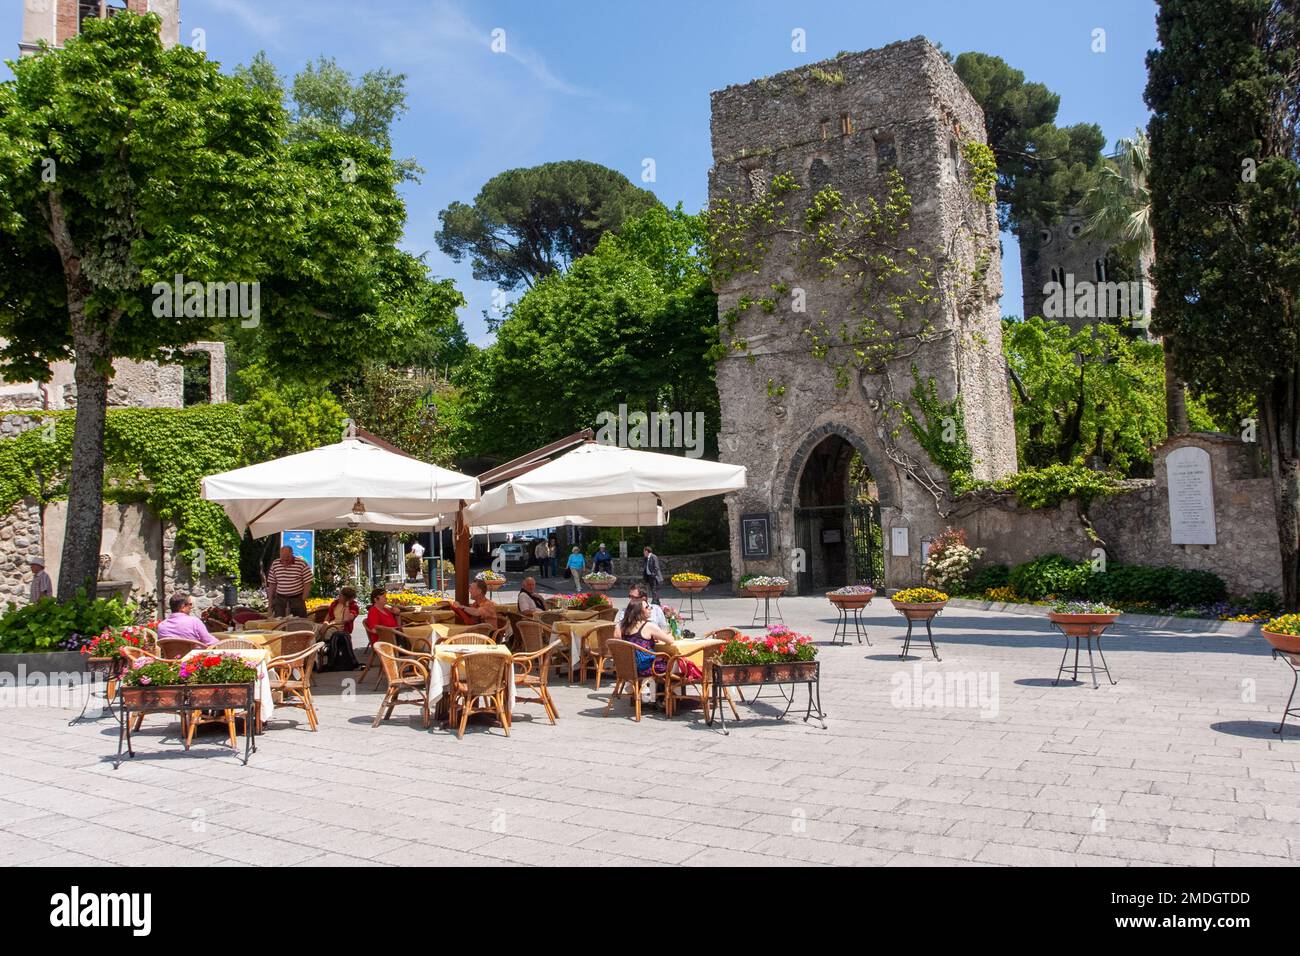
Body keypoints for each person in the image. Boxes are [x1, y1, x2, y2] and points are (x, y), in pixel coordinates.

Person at [617, 598, 700, 682]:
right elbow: (670, 641)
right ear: (639, 611)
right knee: (677, 661)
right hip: (647, 668)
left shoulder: (622, 627)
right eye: (647, 607)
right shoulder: (648, 626)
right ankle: (672, 692)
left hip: (628, 668)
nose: (650, 608)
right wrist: (670, 634)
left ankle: (660, 690)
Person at [267, 545, 311, 618]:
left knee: (300, 623)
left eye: (287, 559)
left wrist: (303, 599)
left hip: (297, 599)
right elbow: (272, 584)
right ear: (280, 555)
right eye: (282, 559)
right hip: (280, 599)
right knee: (279, 622)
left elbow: (308, 582)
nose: (284, 562)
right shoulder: (275, 564)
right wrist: (270, 603)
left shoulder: (301, 564)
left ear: (292, 555)